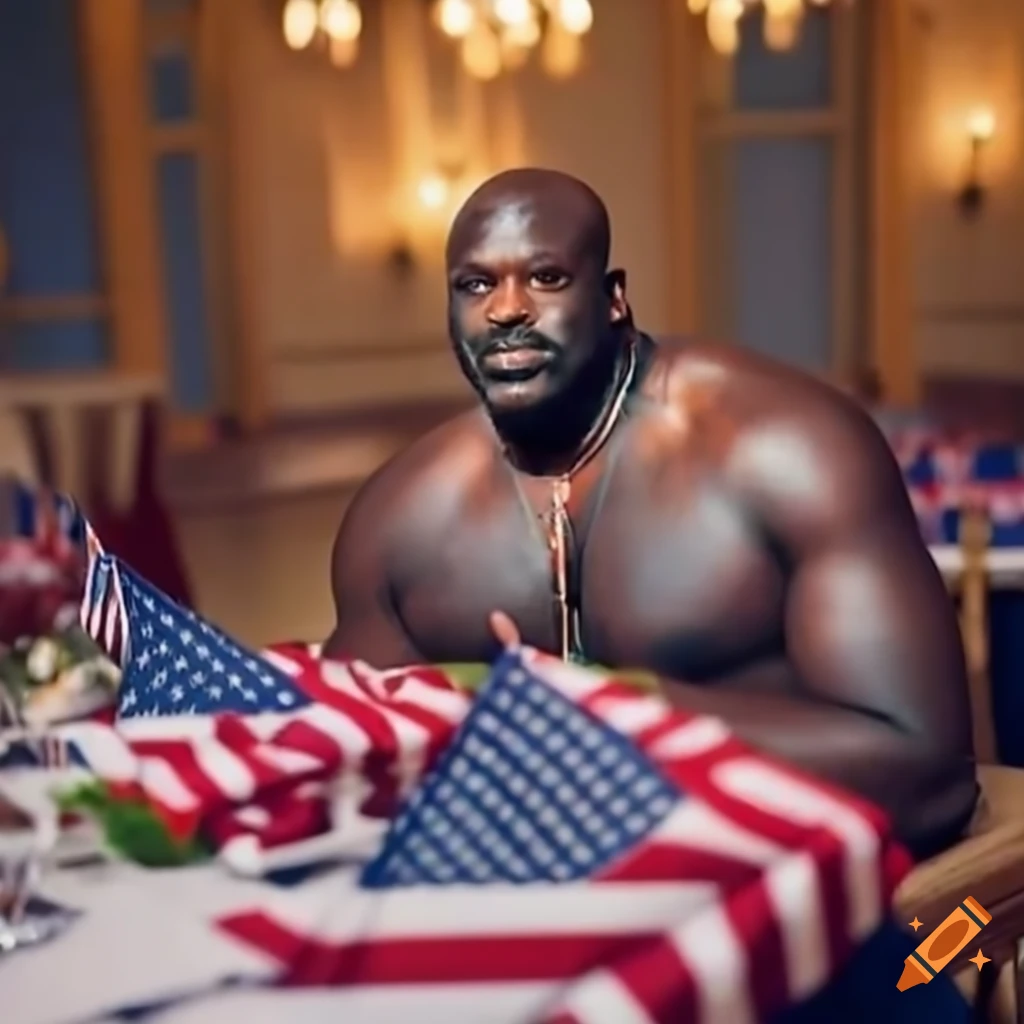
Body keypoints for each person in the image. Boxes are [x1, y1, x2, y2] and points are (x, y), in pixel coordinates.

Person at [324, 167, 976, 861]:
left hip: (807, 892)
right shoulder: (399, 520)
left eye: (545, 277)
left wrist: (619, 714)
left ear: (613, 298)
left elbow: (928, 774)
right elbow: (352, 768)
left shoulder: (783, 446)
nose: (505, 308)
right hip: (548, 908)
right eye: (475, 285)